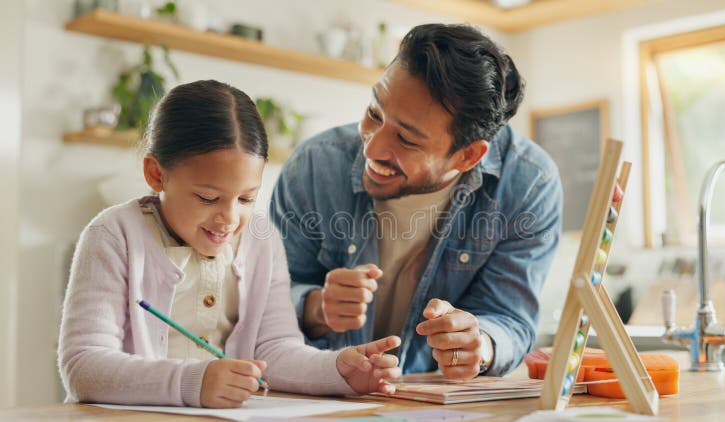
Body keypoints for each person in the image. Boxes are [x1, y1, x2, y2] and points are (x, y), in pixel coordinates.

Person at [58, 80, 401, 408]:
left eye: (246, 199)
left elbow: (276, 350)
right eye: (208, 198)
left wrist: (338, 371)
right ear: (156, 174)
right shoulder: (112, 235)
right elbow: (84, 367)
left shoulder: (262, 241)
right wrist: (193, 382)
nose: (229, 218)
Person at [270, 24, 562, 380]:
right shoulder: (314, 166)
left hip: (431, 399)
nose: (371, 148)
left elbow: (509, 317)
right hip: (321, 392)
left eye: (406, 139)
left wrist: (479, 344)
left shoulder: (530, 184)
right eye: (375, 113)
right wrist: (317, 307)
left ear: (467, 156)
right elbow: (265, 298)